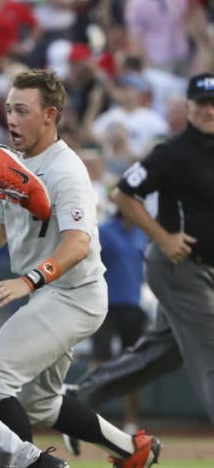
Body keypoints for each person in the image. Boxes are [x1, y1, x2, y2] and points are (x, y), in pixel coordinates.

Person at [0, 69, 162, 468]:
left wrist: (28, 280)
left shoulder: (65, 169)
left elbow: (79, 243)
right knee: (40, 404)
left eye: (22, 110)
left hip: (74, 295)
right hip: (50, 294)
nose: (11, 119)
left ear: (50, 115)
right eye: (9, 109)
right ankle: (133, 449)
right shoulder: (11, 160)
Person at [76, 72, 214, 423]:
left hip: (205, 270)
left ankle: (80, 399)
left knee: (164, 353)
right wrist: (163, 237)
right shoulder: (173, 152)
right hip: (180, 267)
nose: (209, 111)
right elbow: (122, 193)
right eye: (202, 104)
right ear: (188, 107)